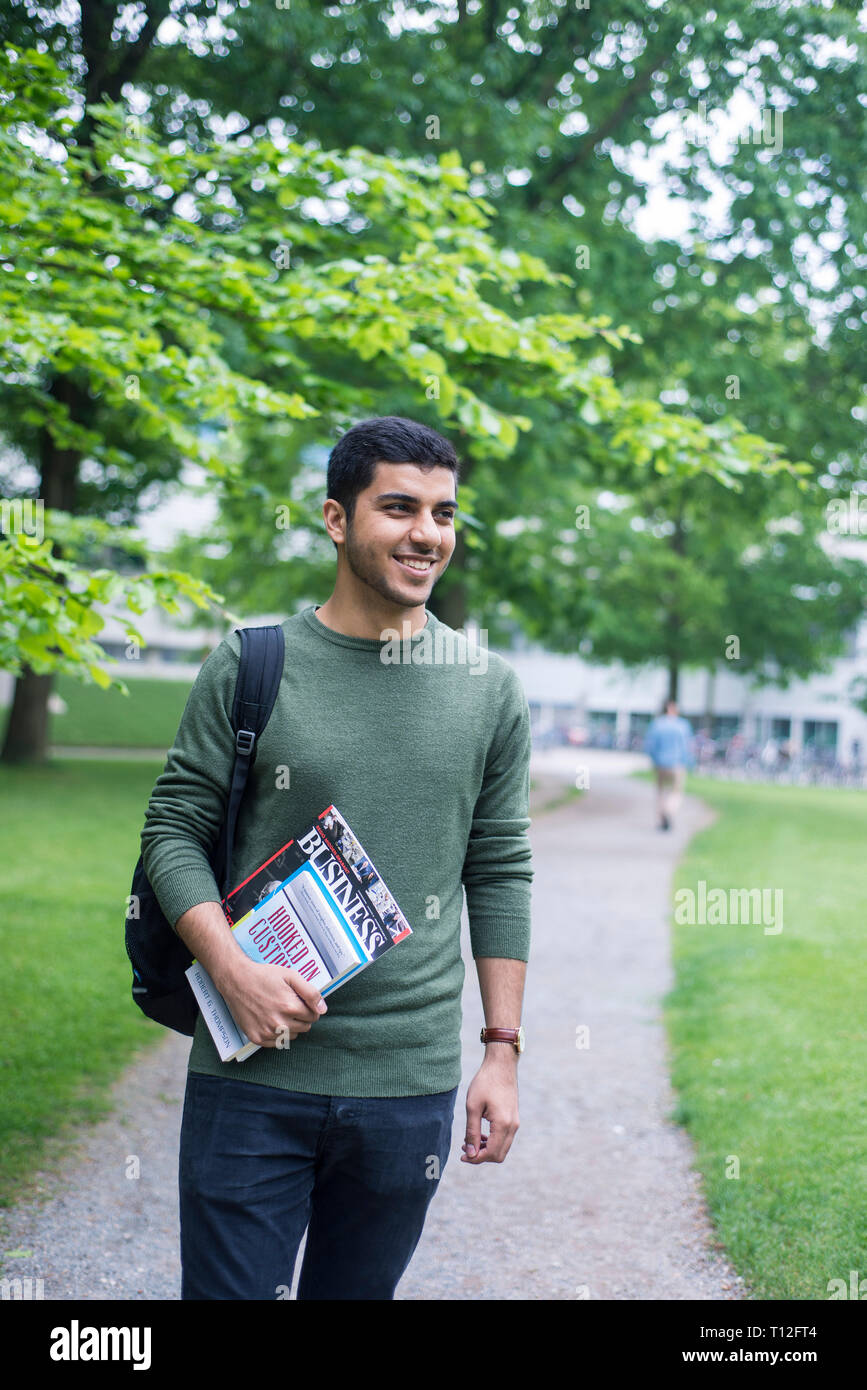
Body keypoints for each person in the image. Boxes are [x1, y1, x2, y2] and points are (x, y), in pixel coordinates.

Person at [140, 415, 533, 1300]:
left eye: (442, 513)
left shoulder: (489, 689)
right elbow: (172, 832)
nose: (425, 534)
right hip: (253, 1070)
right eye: (398, 508)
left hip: (408, 1085)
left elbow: (501, 867)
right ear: (335, 519)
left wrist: (501, 1051)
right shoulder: (252, 663)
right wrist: (231, 966)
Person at [643, 698, 695, 831]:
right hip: (677, 764)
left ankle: (662, 819)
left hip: (660, 764)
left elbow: (650, 746)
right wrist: (689, 763)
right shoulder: (683, 725)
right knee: (677, 792)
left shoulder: (657, 724)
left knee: (661, 792)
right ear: (674, 709)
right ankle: (668, 810)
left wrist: (654, 761)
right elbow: (687, 747)